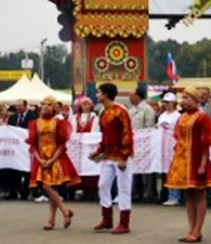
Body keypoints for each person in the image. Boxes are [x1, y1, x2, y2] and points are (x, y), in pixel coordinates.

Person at [165, 87, 211, 243]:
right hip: (183, 160)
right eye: (183, 98)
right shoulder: (182, 117)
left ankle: (197, 230)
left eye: (187, 98)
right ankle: (191, 228)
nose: (183, 101)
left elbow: (207, 142)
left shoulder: (202, 118)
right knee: (188, 195)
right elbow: (178, 139)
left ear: (195, 100)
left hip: (196, 160)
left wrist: (203, 164)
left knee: (199, 194)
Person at [27, 96, 79, 230]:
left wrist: (51, 160)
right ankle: (61, 213)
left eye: (49, 104)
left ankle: (55, 218)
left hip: (55, 158)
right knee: (47, 187)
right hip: (41, 158)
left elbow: (62, 145)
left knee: (49, 187)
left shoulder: (59, 123)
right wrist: (40, 160)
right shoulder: (34, 123)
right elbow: (32, 145)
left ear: (55, 108)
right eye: (43, 104)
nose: (45, 106)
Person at [91, 83, 134, 234]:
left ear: (106, 94)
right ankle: (107, 219)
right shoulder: (103, 112)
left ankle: (124, 223)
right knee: (102, 185)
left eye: (99, 93)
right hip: (108, 156)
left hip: (122, 156)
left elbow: (127, 134)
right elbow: (105, 136)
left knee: (124, 188)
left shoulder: (121, 111)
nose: (97, 95)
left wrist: (124, 157)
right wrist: (98, 151)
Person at [129, 85, 156, 202]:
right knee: (134, 169)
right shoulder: (131, 110)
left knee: (146, 169)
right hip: (134, 142)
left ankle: (148, 193)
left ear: (137, 96)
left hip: (145, 143)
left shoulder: (147, 109)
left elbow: (149, 126)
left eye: (131, 95)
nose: (130, 97)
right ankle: (135, 193)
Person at [157, 93, 182, 206]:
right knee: (166, 172)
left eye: (168, 103)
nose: (166, 105)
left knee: (174, 171)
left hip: (173, 146)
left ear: (174, 103)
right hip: (163, 147)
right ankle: (168, 195)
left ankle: (175, 196)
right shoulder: (162, 116)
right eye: (164, 103)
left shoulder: (177, 116)